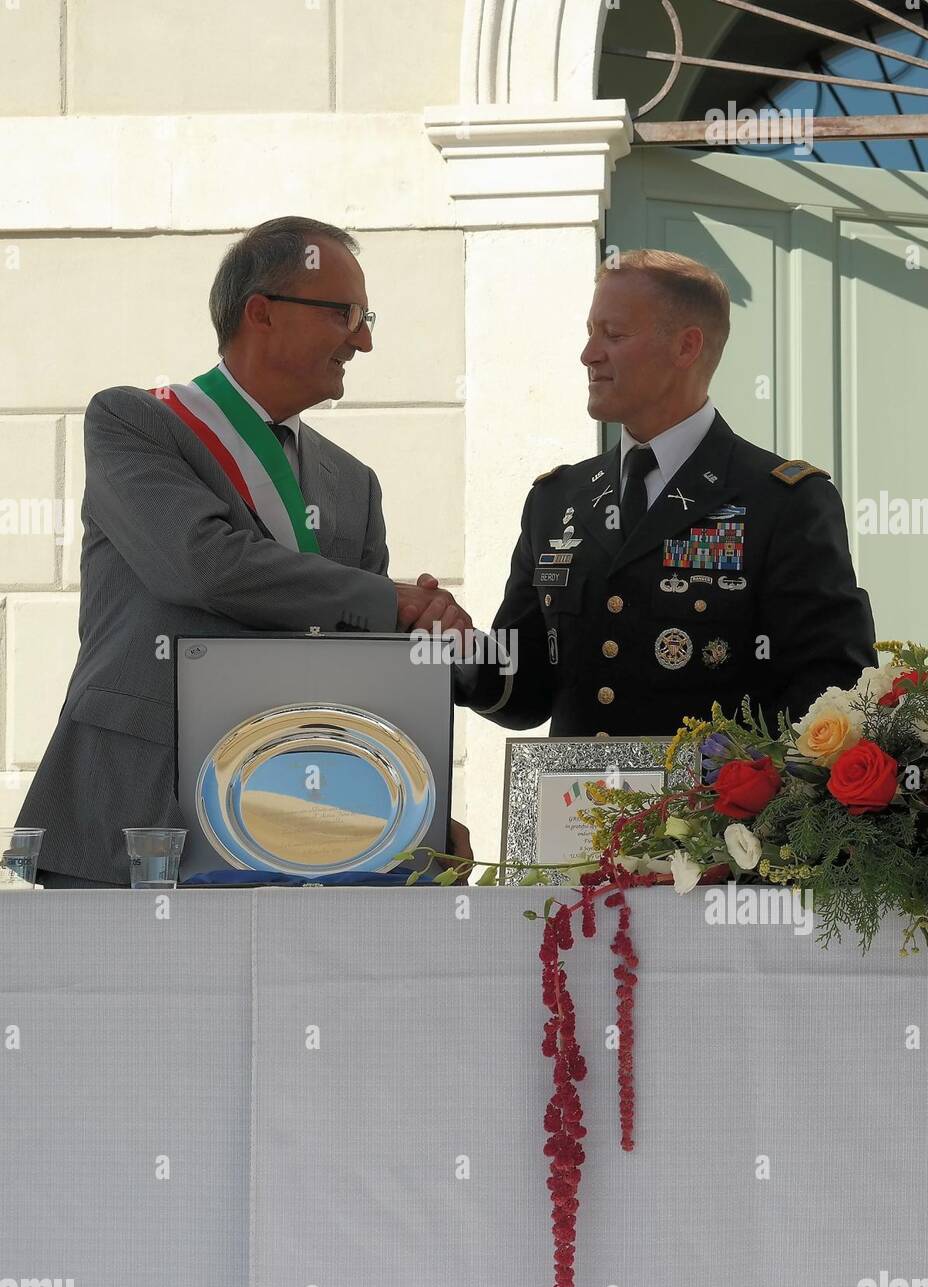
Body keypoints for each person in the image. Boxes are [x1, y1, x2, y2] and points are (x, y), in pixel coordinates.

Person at [19, 216, 471, 887]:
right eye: (345, 314)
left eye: (365, 317)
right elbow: (200, 565)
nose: (365, 340)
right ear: (262, 312)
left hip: (302, 823)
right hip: (134, 815)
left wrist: (416, 812)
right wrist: (392, 600)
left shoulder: (354, 484)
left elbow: (359, 675)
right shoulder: (135, 422)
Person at [457, 249, 876, 737]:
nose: (589, 354)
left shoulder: (784, 501)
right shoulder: (557, 501)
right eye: (590, 333)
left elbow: (832, 690)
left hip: (714, 812)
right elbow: (525, 690)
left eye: (614, 335)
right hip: (574, 811)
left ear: (686, 347)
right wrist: (453, 647)